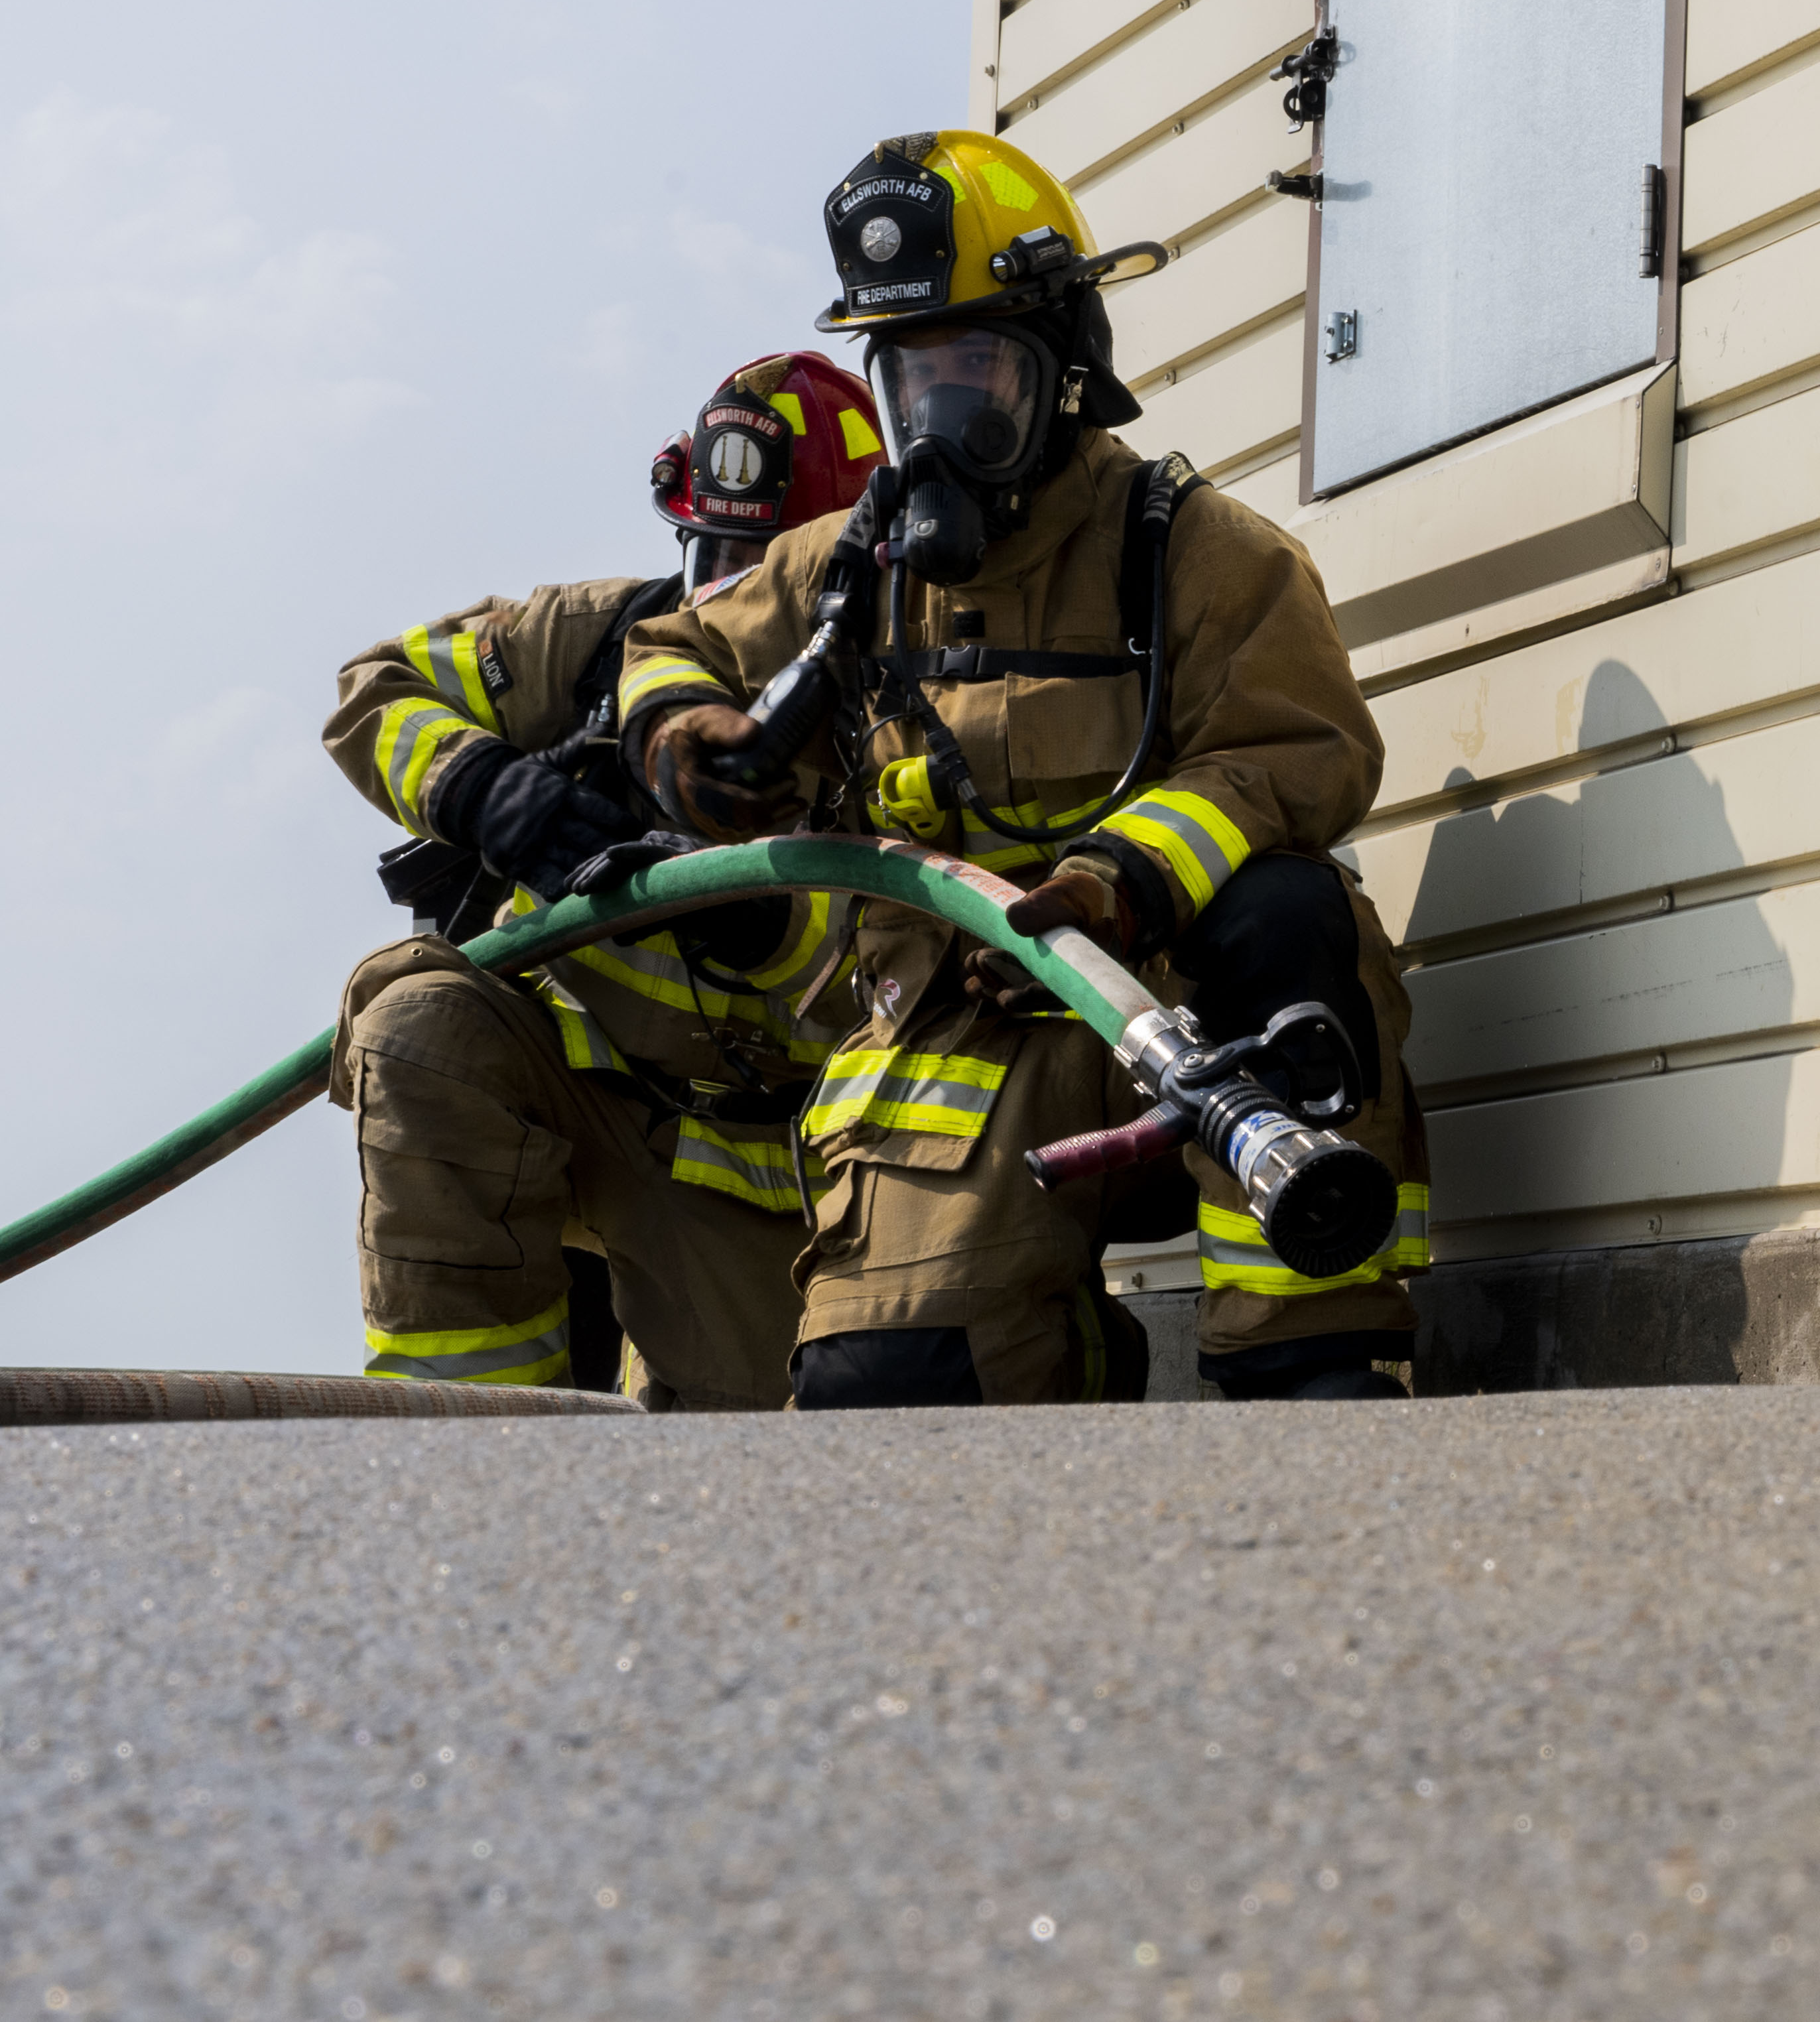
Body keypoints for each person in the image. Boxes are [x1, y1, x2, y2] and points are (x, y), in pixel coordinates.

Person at [614, 129, 1431, 1411]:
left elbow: (1305, 752)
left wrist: (1121, 878)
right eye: (912, 379)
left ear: (1064, 367)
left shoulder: (1195, 551)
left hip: (1166, 996)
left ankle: (1310, 1353)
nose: (940, 420)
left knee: (1293, 920)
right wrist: (685, 738)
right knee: (887, 1389)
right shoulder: (841, 571)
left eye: (977, 371)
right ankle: (1060, 1383)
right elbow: (667, 645)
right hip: (958, 1026)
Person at [314, 353, 890, 1408]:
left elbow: (904, 972)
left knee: (770, 1457)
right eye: (713, 556)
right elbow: (371, 692)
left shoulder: (888, 711)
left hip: (778, 1156)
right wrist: (486, 791)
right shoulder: (598, 639)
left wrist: (755, 918)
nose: (726, 601)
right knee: (421, 1027)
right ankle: (469, 1452)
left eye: (764, 572)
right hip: (584, 1101)